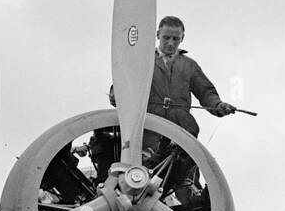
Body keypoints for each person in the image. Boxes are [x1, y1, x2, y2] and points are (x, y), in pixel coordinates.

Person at [98, 16, 236, 190]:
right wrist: (116, 94)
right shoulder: (143, 62)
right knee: (139, 170)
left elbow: (206, 93)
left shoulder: (189, 65)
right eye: (166, 38)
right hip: (148, 131)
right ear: (157, 35)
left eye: (175, 39)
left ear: (182, 38)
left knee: (186, 180)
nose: (171, 43)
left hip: (182, 130)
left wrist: (218, 105)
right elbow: (123, 87)